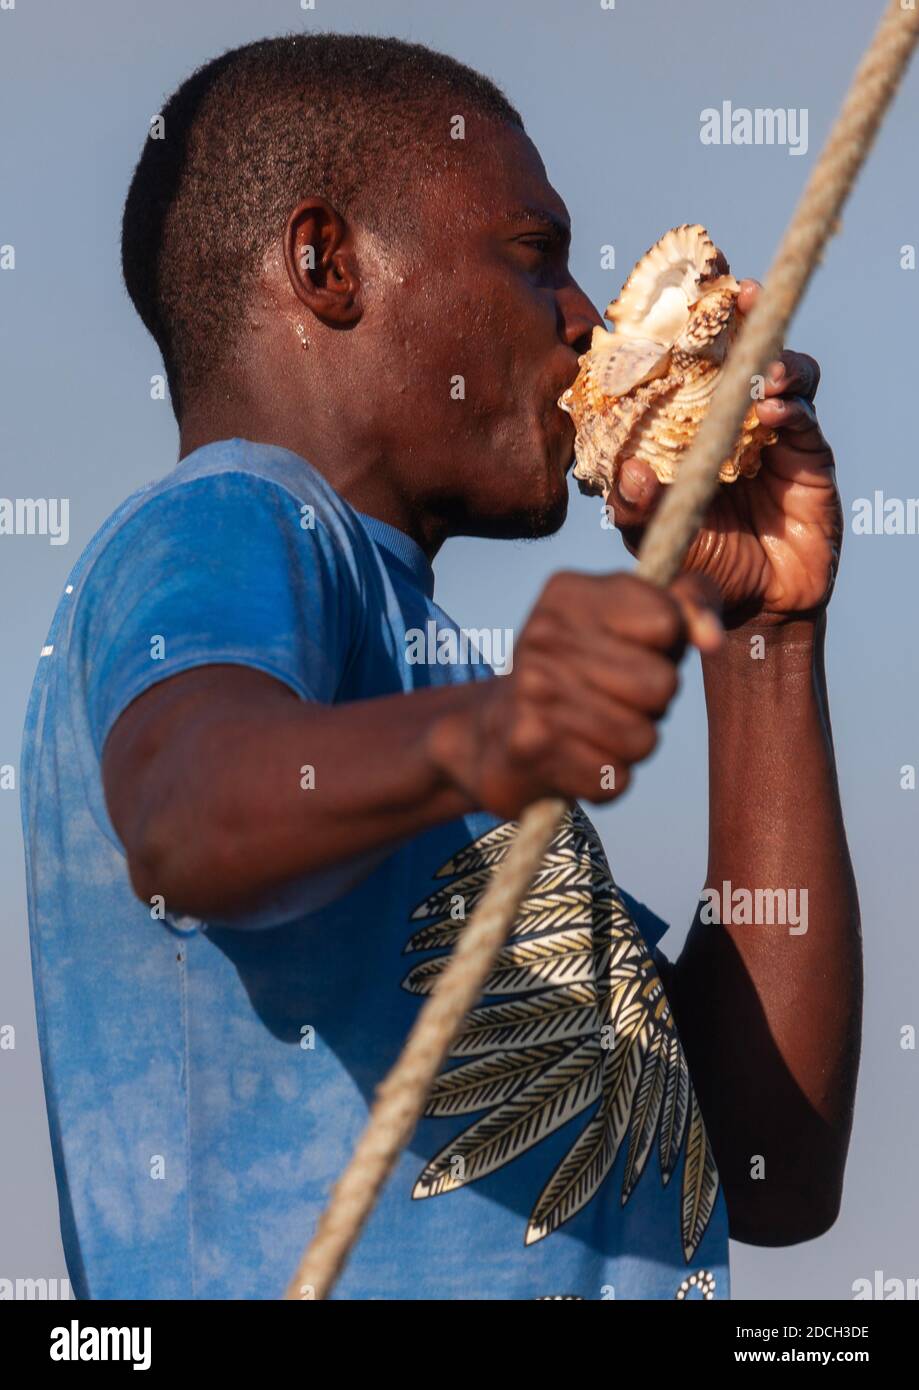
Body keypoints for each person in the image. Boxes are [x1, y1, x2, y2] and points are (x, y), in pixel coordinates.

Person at [20, 33, 860, 1301]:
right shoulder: (229, 518)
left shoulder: (424, 697)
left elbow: (769, 1167)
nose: (581, 321)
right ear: (326, 265)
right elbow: (186, 812)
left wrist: (765, 637)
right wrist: (498, 729)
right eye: (536, 257)